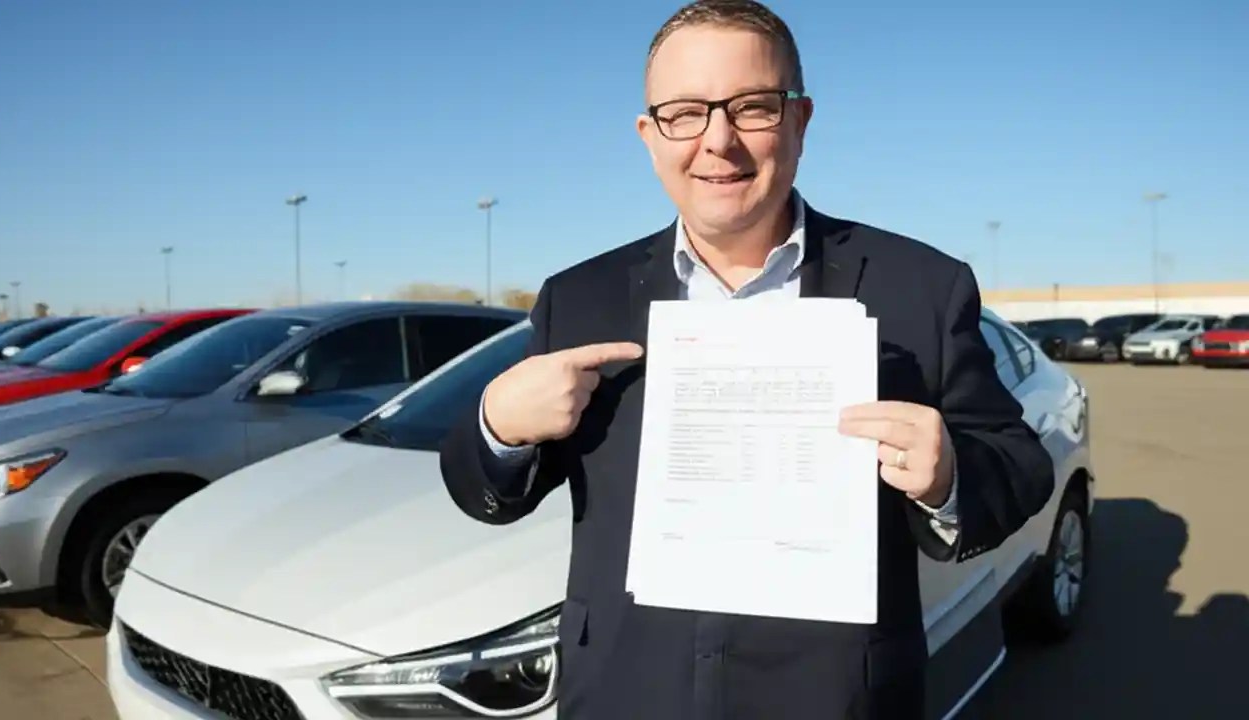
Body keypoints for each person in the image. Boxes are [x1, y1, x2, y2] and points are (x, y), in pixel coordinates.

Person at [439, 1, 1055, 717]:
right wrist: (499, 426)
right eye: (684, 113)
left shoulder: (920, 286)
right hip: (623, 693)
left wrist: (948, 476)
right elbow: (482, 490)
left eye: (753, 107)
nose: (718, 141)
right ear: (649, 134)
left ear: (800, 120)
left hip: (835, 700)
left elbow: (1020, 465)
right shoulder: (578, 299)